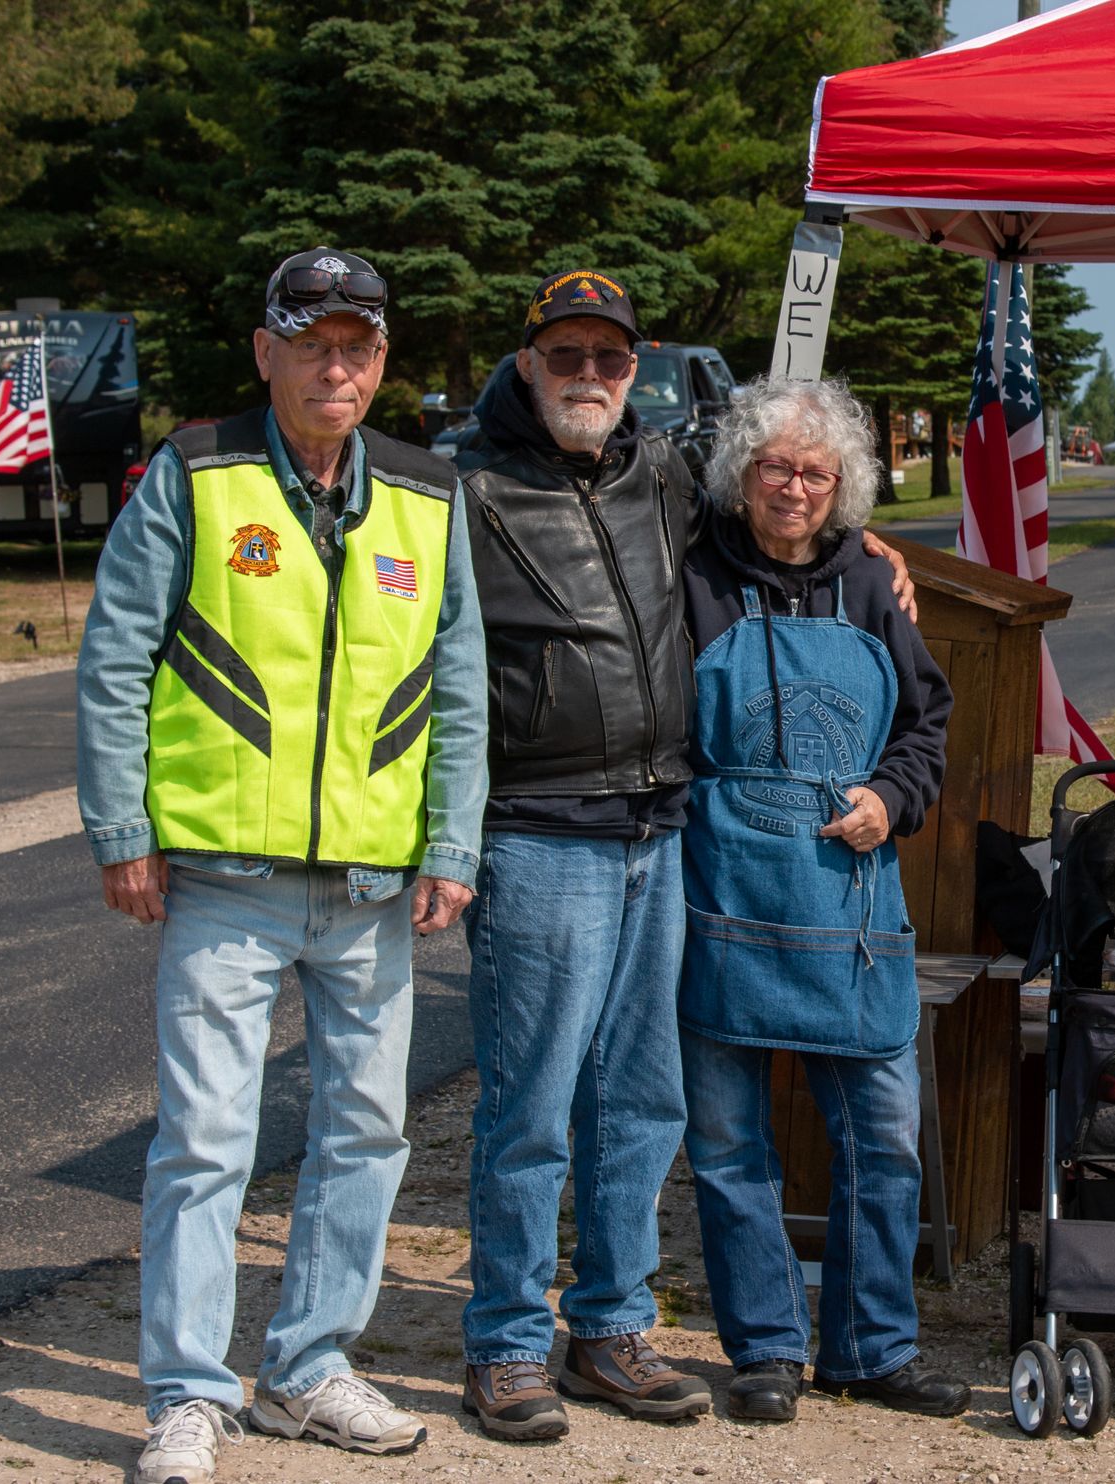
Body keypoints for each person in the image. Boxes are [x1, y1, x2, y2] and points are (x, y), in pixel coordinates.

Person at [454, 275, 918, 1437]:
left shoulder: (658, 477)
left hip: (656, 839)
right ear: (527, 363)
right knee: (532, 1104)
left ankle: (608, 1327)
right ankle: (506, 1344)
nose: (590, 376)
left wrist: (872, 540)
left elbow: (801, 510)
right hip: (543, 832)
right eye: (567, 355)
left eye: (610, 359)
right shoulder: (467, 488)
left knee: (642, 1105)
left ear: (635, 371)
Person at [76, 248, 488, 1484]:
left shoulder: (427, 492)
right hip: (226, 879)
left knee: (366, 1133)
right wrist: (123, 829)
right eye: (313, 341)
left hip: (371, 889)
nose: (337, 364)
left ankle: (308, 1367)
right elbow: (116, 661)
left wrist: (451, 838)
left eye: (358, 345)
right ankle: (189, 1393)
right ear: (267, 351)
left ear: (380, 363)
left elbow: (460, 681)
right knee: (205, 1140)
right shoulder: (194, 474)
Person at [675, 375, 965, 1424]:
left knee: (884, 1138)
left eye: (815, 472)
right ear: (739, 473)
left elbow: (926, 725)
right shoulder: (692, 572)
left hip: (852, 913)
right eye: (774, 467)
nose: (793, 488)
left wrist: (892, 799)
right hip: (725, 907)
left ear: (844, 487)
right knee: (728, 1146)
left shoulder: (877, 587)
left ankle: (871, 1347)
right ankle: (763, 1348)